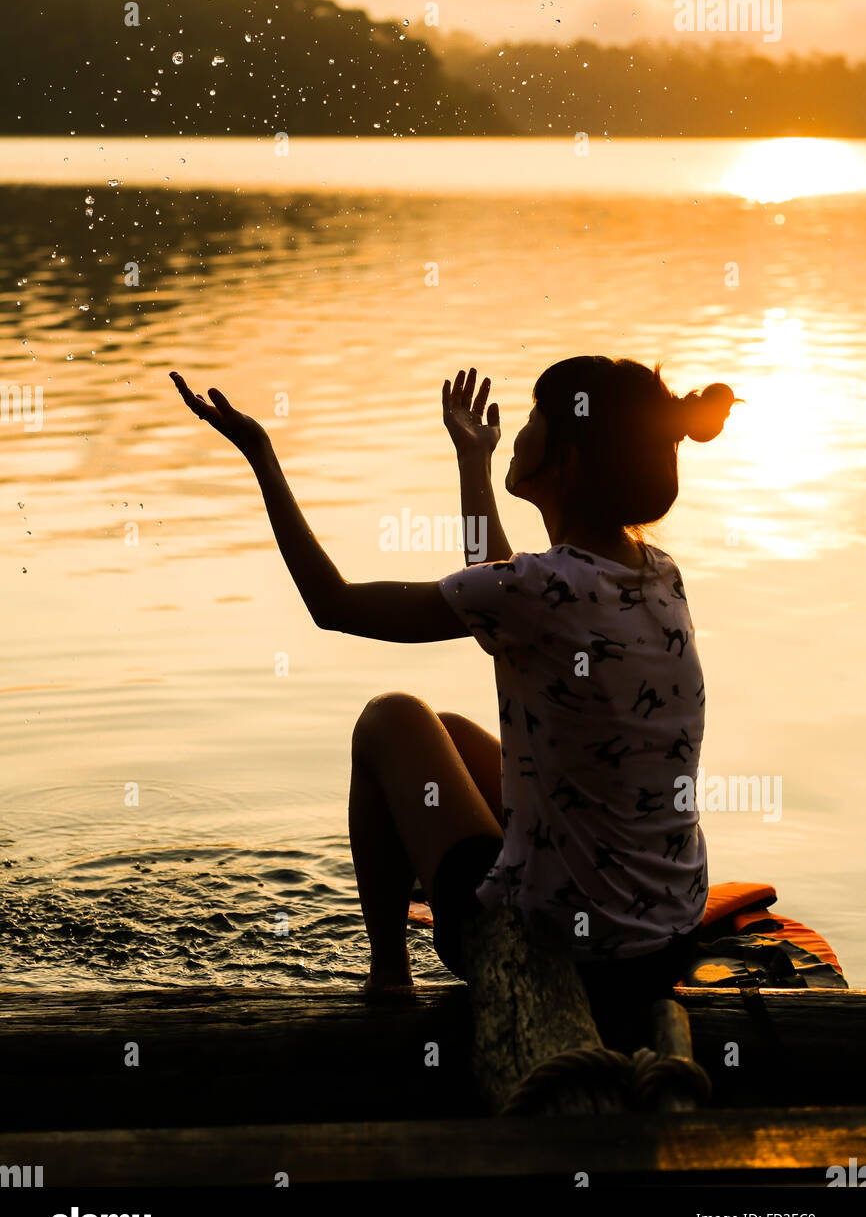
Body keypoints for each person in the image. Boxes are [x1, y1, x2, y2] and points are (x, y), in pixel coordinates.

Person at [170, 359, 740, 1049]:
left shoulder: (537, 591)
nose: (519, 426)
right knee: (450, 736)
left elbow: (333, 604)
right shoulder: (655, 573)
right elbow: (504, 590)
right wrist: (475, 460)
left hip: (572, 959)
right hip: (664, 940)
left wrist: (260, 457)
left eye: (534, 415)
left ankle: (388, 982)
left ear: (565, 460)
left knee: (391, 720)